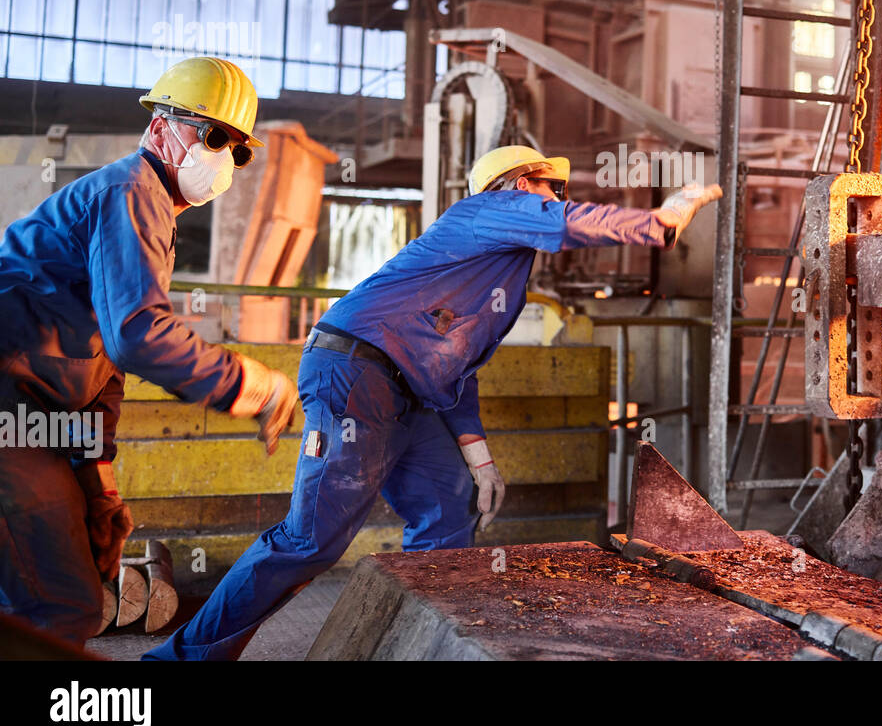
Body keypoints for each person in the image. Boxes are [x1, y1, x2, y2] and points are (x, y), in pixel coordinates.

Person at [146, 144, 722, 660]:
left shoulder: (499, 277)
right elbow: (561, 221)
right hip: (355, 375)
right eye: (553, 187)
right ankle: (181, 661)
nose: (558, 198)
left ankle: (419, 649)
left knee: (448, 509)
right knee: (309, 542)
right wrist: (658, 222)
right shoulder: (481, 212)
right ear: (520, 185)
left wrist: (480, 460)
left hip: (407, 395)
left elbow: (456, 371)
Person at [0, 57, 300, 646]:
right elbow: (137, 334)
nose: (222, 158)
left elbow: (101, 368)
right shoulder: (129, 190)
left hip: (33, 421)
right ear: (161, 125)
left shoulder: (152, 216)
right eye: (211, 135)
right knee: (57, 607)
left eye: (236, 149)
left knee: (68, 599)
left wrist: (99, 477)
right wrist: (248, 384)